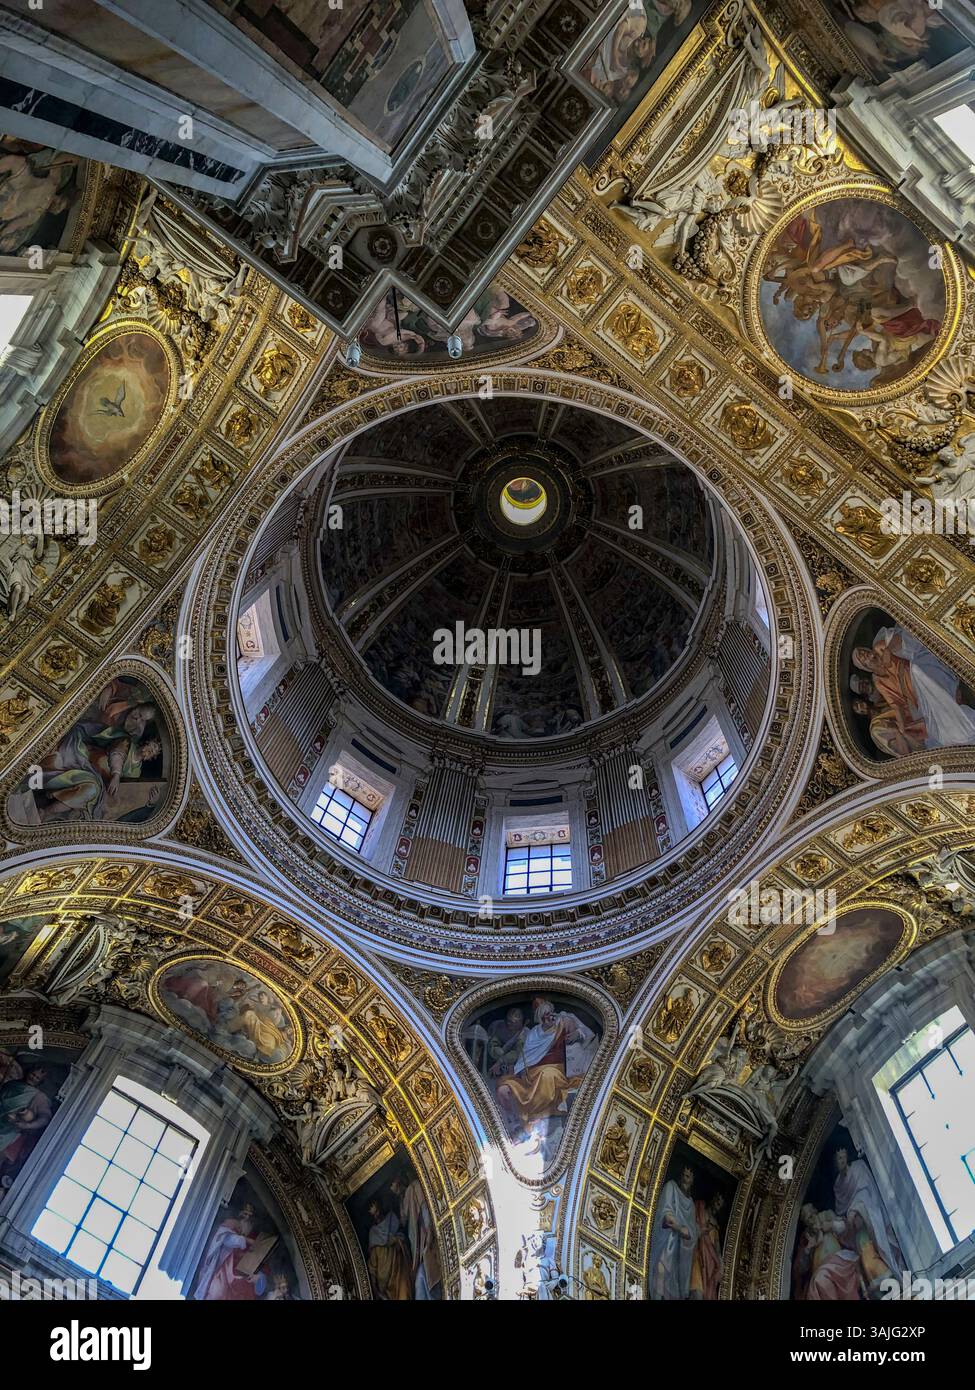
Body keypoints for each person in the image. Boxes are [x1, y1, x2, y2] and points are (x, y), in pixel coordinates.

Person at [192, 1202, 272, 1300]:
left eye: (250, 1217)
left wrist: (259, 1277)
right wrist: (246, 1240)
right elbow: (228, 1239)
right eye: (245, 1214)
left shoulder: (256, 1239)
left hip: (243, 1285)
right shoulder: (231, 1226)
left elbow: (262, 1265)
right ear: (240, 1214)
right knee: (217, 1292)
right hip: (223, 1275)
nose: (247, 1218)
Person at [648, 1163, 698, 1299]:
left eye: (688, 1177)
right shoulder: (671, 1187)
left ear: (692, 1180)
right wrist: (680, 1228)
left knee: (671, 1286)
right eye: (683, 1175)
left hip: (679, 1253)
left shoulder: (691, 1205)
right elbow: (666, 1216)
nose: (684, 1179)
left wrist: (684, 1231)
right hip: (666, 1243)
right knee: (660, 1272)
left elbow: (691, 1233)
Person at [389, 1170, 441, 1300]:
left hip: (426, 1242)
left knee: (422, 1277)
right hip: (417, 1245)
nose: (391, 1188)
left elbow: (424, 1209)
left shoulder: (414, 1187)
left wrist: (429, 1233)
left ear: (398, 1180)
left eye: (392, 1184)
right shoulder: (405, 1197)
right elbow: (404, 1219)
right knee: (421, 1279)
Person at [365, 1197, 413, 1300]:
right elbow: (373, 1266)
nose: (377, 1216)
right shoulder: (373, 1233)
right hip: (385, 1285)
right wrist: (376, 1290)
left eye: (377, 1211)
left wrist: (397, 1241)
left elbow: (403, 1239)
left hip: (400, 1272)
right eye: (374, 1214)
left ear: (380, 1208)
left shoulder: (392, 1219)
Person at [689, 1190, 725, 1299]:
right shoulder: (699, 1208)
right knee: (696, 1293)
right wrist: (697, 1232)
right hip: (695, 1256)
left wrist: (721, 1264)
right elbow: (687, 1223)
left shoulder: (715, 1225)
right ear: (713, 1198)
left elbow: (717, 1249)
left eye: (719, 1205)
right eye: (717, 1200)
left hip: (708, 1264)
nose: (716, 1205)